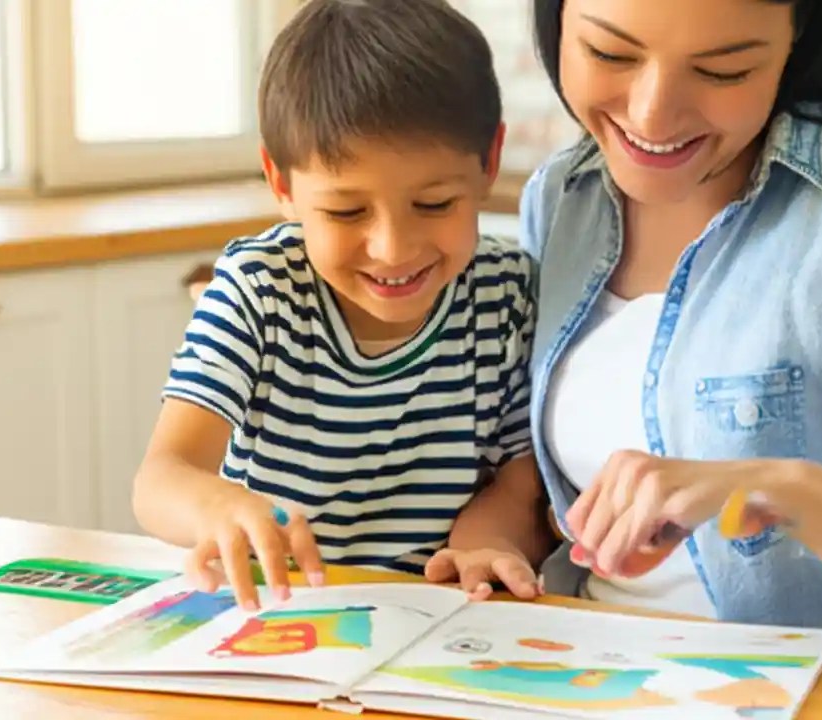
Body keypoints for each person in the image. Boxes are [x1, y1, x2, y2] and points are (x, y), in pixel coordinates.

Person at [517, 0, 822, 644]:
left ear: (795, 44)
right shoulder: (561, 199)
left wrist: (780, 486)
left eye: (722, 71)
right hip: (584, 671)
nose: (652, 114)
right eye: (610, 54)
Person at [132, 0, 553, 611]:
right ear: (282, 184)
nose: (392, 248)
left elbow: (519, 479)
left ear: (489, 163)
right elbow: (161, 477)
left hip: (437, 617)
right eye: (346, 212)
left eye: (435, 204)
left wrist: (485, 544)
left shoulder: (505, 294)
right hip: (286, 614)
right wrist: (216, 506)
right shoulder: (258, 289)